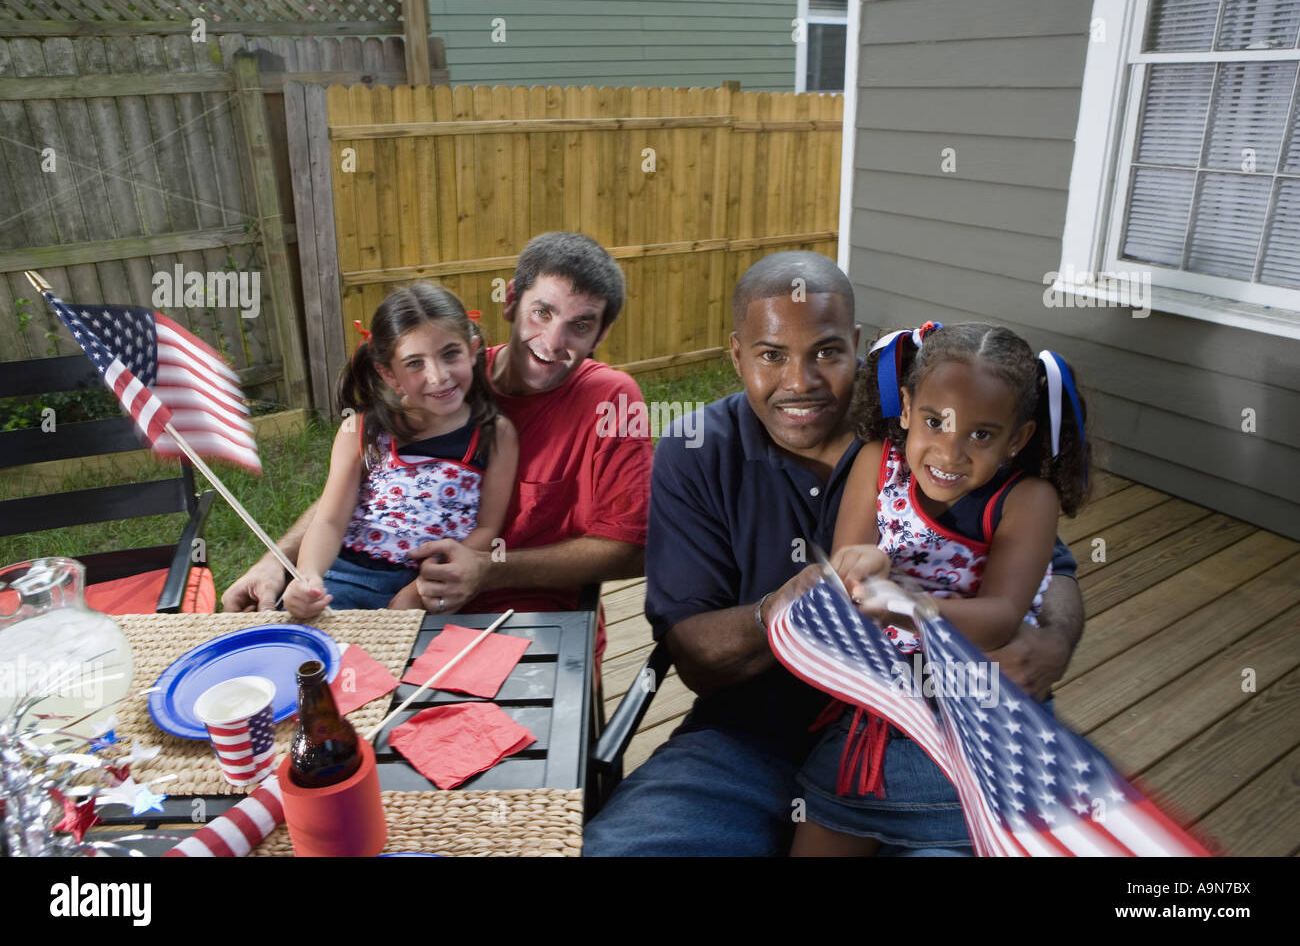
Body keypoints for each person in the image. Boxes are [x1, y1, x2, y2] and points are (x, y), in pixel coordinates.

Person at [583, 251, 1084, 856]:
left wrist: (1053, 642)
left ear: (855, 345)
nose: (800, 382)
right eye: (771, 355)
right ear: (737, 354)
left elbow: (1047, 571)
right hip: (750, 740)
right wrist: (780, 609)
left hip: (928, 735)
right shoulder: (696, 451)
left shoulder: (928, 439)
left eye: (825, 352)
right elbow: (693, 654)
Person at [223, 232, 652, 669]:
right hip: (396, 593)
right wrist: (278, 561)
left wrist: (489, 569)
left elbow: (633, 548)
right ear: (511, 302)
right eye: (541, 312)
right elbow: (371, 486)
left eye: (581, 325)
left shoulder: (609, 399)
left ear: (602, 332)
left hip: (528, 619)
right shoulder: (451, 381)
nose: (553, 340)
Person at [789, 321, 1090, 856]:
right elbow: (849, 570)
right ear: (906, 408)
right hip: (876, 713)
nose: (950, 453)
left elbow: (1000, 617)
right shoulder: (876, 462)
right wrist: (872, 563)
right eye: (935, 422)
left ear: (1016, 438)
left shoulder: (1027, 499)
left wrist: (908, 606)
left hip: (975, 723)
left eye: (981, 434)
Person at [280, 284, 517, 618]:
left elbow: (487, 530)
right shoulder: (359, 430)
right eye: (415, 363)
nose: (439, 376)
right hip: (345, 578)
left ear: (473, 349)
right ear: (389, 374)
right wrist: (308, 578)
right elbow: (330, 520)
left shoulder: (495, 435)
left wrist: (418, 591)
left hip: (431, 584)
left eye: (450, 354)